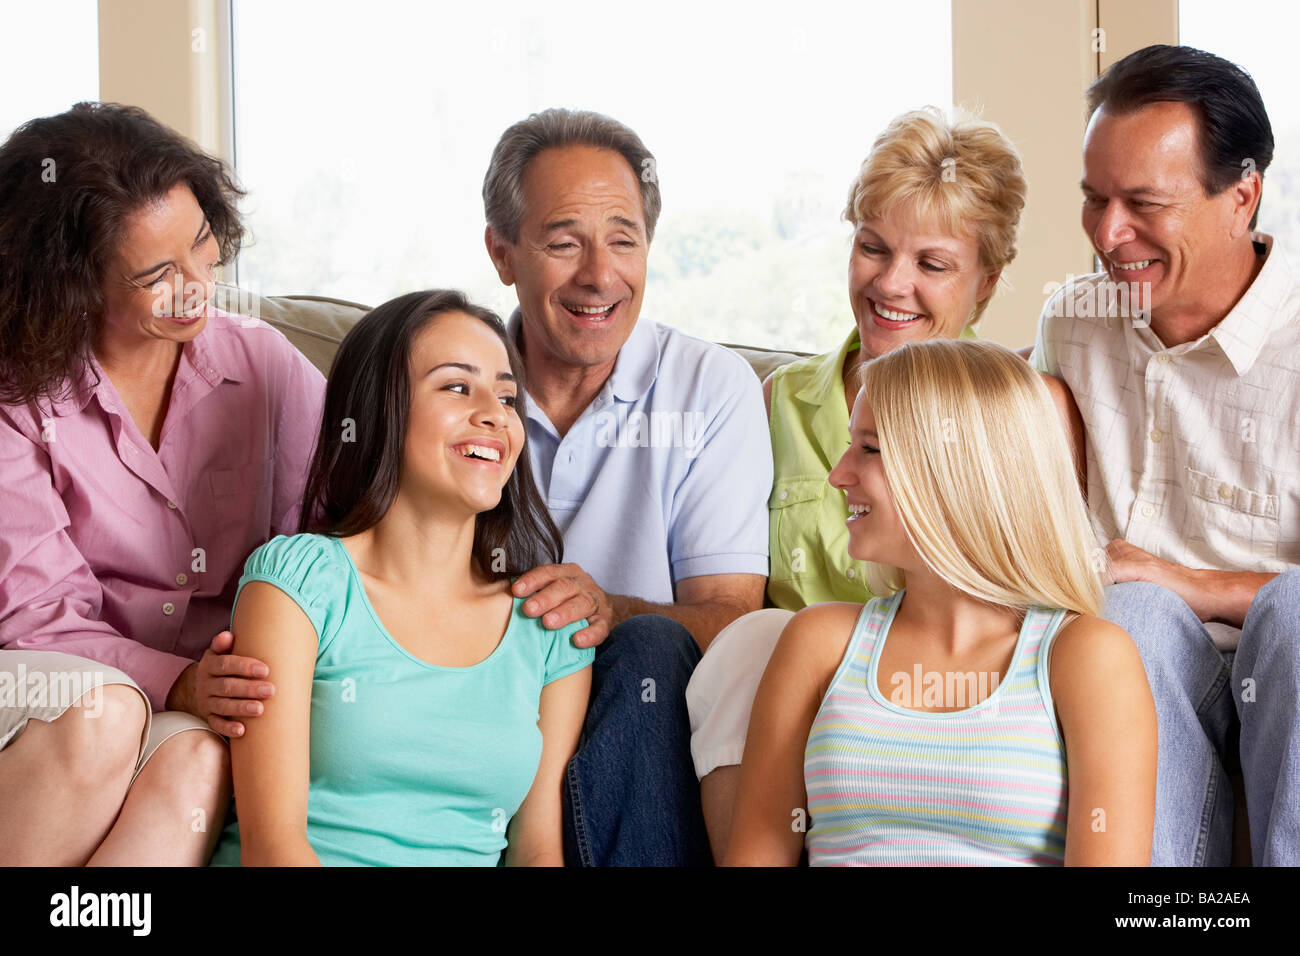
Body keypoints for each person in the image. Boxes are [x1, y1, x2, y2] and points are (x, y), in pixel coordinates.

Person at [686, 107, 1084, 860]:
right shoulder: (774, 402)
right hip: (799, 691)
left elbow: (1043, 585)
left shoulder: (1022, 410)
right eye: (872, 248)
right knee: (757, 637)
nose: (892, 284)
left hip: (964, 687)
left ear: (987, 281)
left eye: (932, 265)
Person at [0, 102, 324, 865]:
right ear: (71, 285)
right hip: (46, 681)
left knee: (202, 759)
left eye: (202, 249)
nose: (196, 290)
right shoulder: (16, 396)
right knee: (101, 713)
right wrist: (180, 681)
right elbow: (38, 617)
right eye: (157, 275)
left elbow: (340, 526)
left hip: (199, 691)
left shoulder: (262, 364)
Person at [726, 339, 1156, 866]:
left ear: (956, 471)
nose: (838, 475)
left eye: (870, 448)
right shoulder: (819, 643)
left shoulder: (1086, 656)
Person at [1030, 44, 1300, 866]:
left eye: (1144, 203)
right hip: (1139, 650)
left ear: (1241, 197)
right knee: (1131, 620)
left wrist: (1193, 585)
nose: (1109, 235)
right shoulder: (1073, 324)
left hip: (1281, 659)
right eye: (1093, 199)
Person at [481, 108, 773, 865]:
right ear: (503, 253)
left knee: (646, 646)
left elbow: (733, 618)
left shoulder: (711, 388)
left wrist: (611, 610)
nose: (599, 275)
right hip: (483, 690)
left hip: (640, 714)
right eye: (564, 241)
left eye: (623, 239)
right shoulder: (450, 378)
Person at [208, 290, 591, 866]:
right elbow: (274, 848)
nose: (494, 412)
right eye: (457, 386)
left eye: (508, 396)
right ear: (380, 412)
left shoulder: (548, 627)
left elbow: (538, 853)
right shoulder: (298, 585)